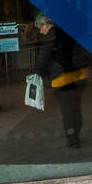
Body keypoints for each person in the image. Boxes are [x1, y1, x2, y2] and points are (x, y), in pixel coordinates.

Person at [33, 13, 84, 149]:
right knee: (75, 107)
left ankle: (72, 139)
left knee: (66, 110)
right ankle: (77, 132)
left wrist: (36, 72)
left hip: (61, 77)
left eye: (40, 27)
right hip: (75, 74)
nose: (40, 31)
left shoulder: (51, 35)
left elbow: (43, 57)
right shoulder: (66, 30)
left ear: (46, 24)